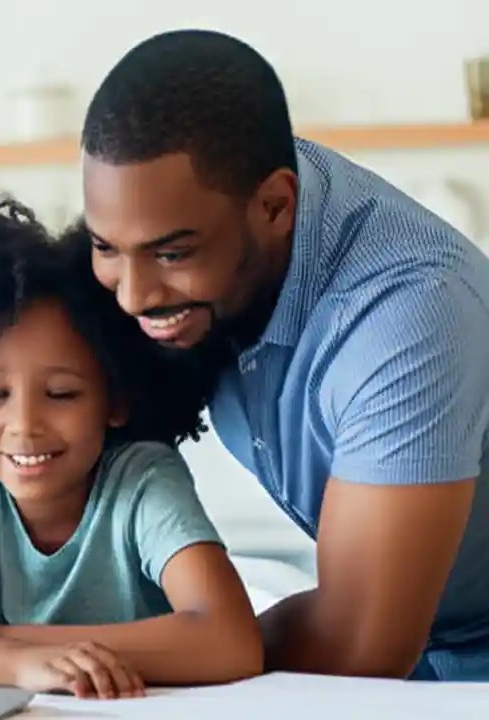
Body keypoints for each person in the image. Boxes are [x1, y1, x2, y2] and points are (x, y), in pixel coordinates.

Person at [80, 29, 489, 681]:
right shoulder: (209, 224)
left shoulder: (409, 314)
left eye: (171, 254)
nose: (132, 296)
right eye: (105, 247)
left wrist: (72, 648)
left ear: (275, 206)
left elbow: (360, 646)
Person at [0, 186, 263, 699]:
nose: (24, 425)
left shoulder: (141, 479)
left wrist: (2, 643)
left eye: (62, 393)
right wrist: (23, 666)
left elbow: (231, 642)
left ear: (115, 399)